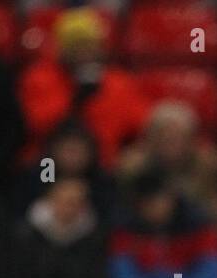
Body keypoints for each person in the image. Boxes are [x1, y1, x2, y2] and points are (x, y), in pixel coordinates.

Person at [18, 7, 150, 169]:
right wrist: (78, 99)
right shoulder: (39, 78)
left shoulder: (118, 82)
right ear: (62, 48)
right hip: (50, 162)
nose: (84, 51)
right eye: (76, 45)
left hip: (106, 164)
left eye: (90, 44)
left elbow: (142, 124)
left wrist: (136, 151)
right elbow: (38, 126)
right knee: (40, 176)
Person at [10, 176, 108, 278]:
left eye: (77, 202)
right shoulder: (29, 234)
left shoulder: (94, 236)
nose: (70, 208)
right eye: (66, 201)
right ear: (51, 201)